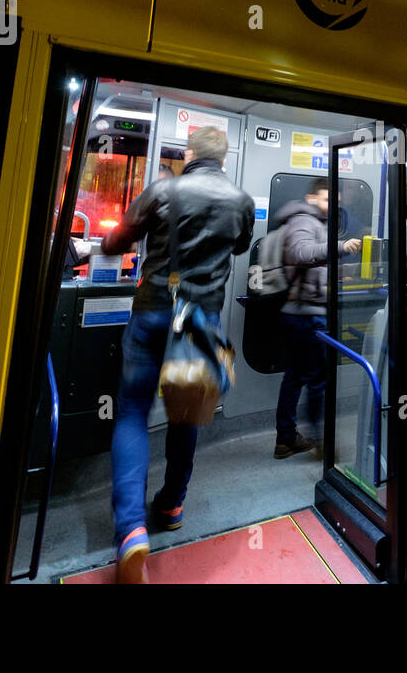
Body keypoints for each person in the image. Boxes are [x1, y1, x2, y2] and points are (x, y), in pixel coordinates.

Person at [99, 126, 255, 583]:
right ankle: (170, 505)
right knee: (188, 411)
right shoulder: (241, 202)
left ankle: (130, 532)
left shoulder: (163, 189)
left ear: (188, 153)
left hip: (152, 313)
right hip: (201, 322)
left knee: (131, 412)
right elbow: (239, 246)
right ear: (223, 159)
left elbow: (116, 240)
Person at [272, 178, 361, 458]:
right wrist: (341, 246)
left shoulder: (313, 221)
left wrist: (335, 274)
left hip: (299, 310)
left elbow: (311, 263)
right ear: (311, 197)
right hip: (307, 314)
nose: (330, 204)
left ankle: (286, 439)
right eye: (325, 199)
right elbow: (301, 253)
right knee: (317, 380)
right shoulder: (304, 219)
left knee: (295, 376)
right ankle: (323, 444)